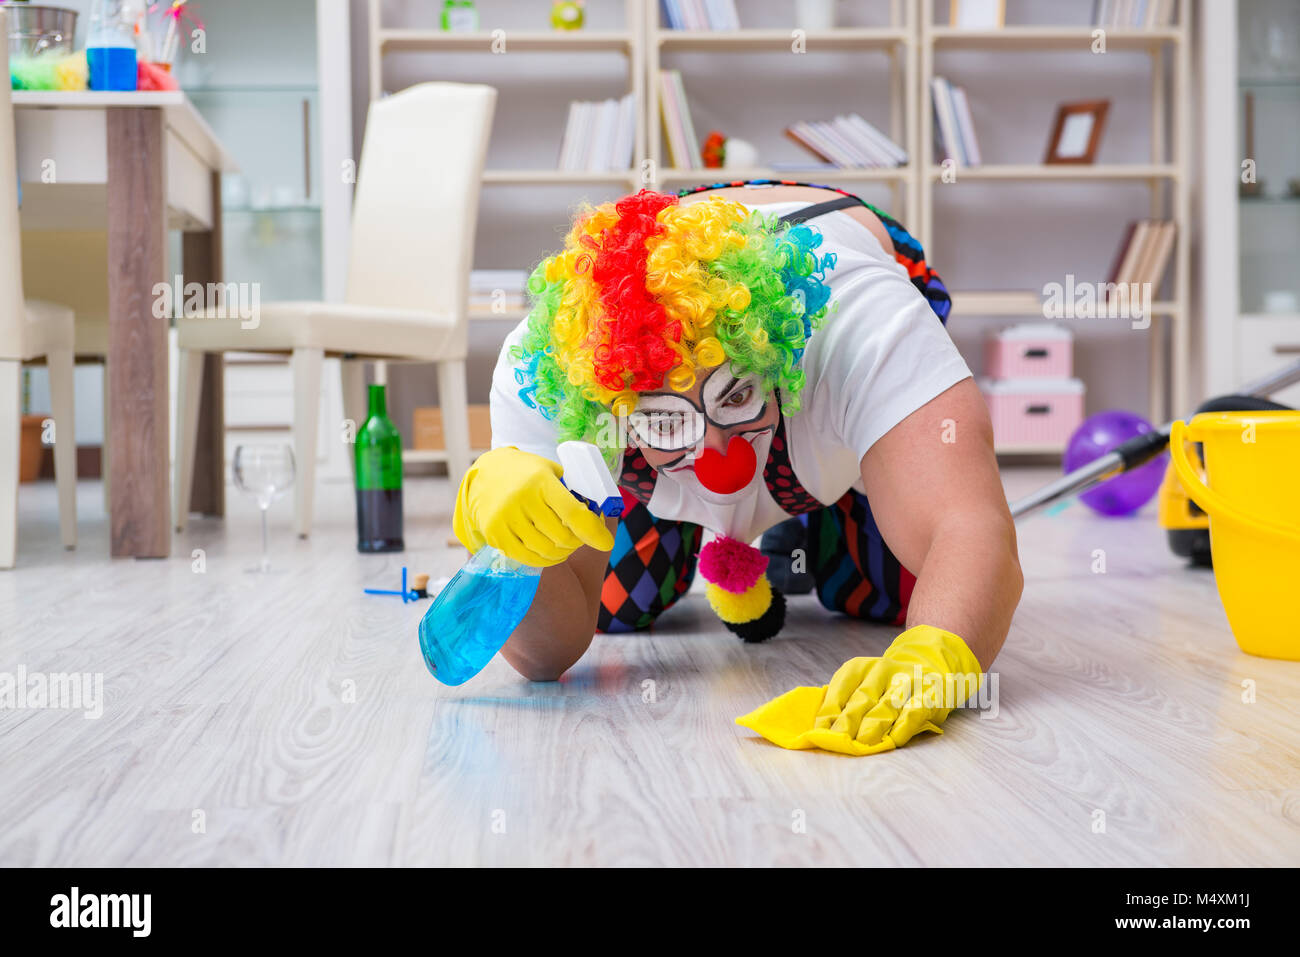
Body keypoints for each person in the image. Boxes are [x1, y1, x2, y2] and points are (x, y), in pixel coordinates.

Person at [453, 180, 1023, 755]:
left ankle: (808, 515)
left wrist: (935, 657)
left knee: (887, 595)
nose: (720, 458)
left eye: (737, 395)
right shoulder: (552, 373)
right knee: (621, 607)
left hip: (827, 333)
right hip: (655, 416)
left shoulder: (862, 322)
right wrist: (504, 535)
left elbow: (971, 529)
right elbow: (546, 657)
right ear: (611, 414)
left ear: (779, 355)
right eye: (664, 422)